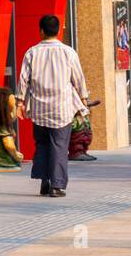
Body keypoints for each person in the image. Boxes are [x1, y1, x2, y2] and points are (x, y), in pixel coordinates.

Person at [17, 14, 88, 198]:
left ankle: (45, 180)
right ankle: (57, 185)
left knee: (42, 144)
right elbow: (78, 78)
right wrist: (84, 98)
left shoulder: (32, 52)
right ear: (58, 31)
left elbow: (23, 79)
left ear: (41, 31)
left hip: (39, 109)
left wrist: (20, 102)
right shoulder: (68, 52)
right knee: (59, 146)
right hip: (61, 109)